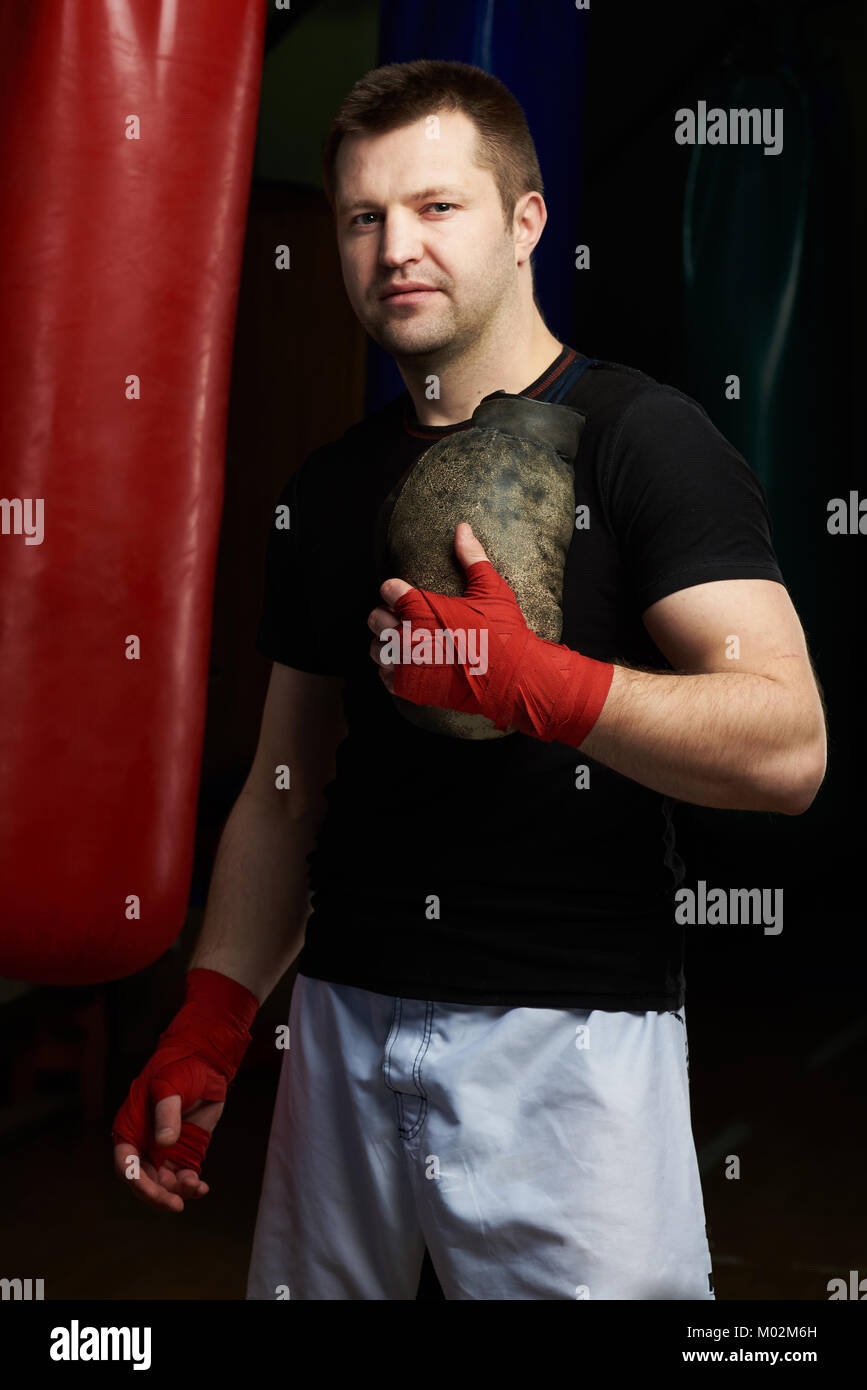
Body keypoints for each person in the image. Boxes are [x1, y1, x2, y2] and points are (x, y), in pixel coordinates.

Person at [112, 59, 827, 1300]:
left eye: (438, 207)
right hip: (341, 1029)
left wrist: (543, 684)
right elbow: (286, 791)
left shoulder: (644, 438)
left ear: (526, 221)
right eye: (363, 216)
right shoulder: (326, 487)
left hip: (570, 1049)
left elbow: (789, 747)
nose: (398, 246)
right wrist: (216, 1014)